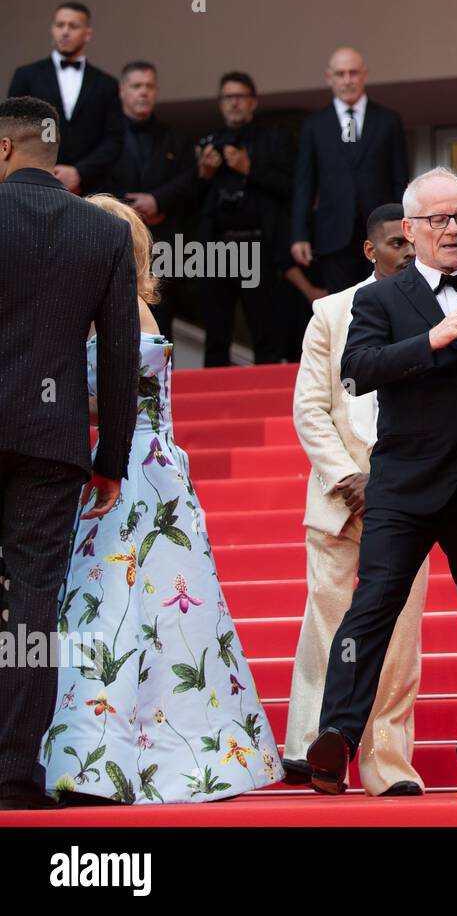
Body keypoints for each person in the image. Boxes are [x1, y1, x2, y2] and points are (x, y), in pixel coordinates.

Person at [39, 194, 283, 804]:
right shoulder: (109, 308)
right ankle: (97, 753)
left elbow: (123, 398)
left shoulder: (128, 314)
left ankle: (138, 756)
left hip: (138, 471)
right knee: (110, 609)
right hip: (128, 465)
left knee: (146, 610)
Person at [305, 169, 457, 796]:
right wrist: (431, 339)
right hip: (404, 481)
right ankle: (337, 738)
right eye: (437, 219)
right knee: (372, 608)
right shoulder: (381, 299)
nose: (452, 229)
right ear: (408, 231)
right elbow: (356, 371)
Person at [0, 96, 139, 812]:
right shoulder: (100, 232)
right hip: (53, 442)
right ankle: (14, 772)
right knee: (31, 605)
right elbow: (119, 357)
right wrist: (111, 459)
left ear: (2, 150)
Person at [283, 204, 431, 796]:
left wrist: (394, 480)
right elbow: (310, 407)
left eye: (411, 241)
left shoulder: (439, 311)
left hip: (410, 493)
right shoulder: (330, 311)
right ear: (371, 250)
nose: (405, 251)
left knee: (400, 633)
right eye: (396, 242)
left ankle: (387, 762)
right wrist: (349, 476)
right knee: (328, 620)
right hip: (340, 493)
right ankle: (312, 748)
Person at [194, 71, 295, 367]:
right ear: (220, 103)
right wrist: (204, 176)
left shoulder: (273, 140)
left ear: (253, 102)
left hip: (259, 245)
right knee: (216, 333)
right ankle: (215, 407)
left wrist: (250, 169)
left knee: (266, 332)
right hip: (216, 249)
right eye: (228, 97)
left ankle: (270, 407)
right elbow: (189, 200)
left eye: (240, 97)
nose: (234, 103)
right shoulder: (209, 143)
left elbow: (292, 188)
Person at [291, 48, 409, 294]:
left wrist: (404, 227)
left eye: (353, 73)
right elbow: (305, 183)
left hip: (382, 232)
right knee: (342, 307)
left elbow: (400, 179)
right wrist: (300, 234)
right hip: (334, 235)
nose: (347, 80)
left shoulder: (388, 120)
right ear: (329, 78)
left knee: (387, 298)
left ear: (364, 75)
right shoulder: (314, 125)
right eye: (340, 73)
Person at [104, 61, 202, 340]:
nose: (143, 92)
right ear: (122, 91)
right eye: (136, 86)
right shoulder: (102, 137)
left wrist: (158, 200)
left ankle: (161, 383)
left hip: (162, 244)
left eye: (149, 86)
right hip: (113, 240)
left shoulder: (176, 137)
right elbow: (91, 180)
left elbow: (190, 182)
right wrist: (127, 208)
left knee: (161, 317)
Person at [7, 1, 122, 195]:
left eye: (73, 26)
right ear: (52, 29)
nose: (65, 31)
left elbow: (115, 140)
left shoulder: (107, 84)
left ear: (87, 34)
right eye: (60, 25)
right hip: (35, 184)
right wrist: (43, 169)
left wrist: (79, 172)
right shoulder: (26, 75)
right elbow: (13, 130)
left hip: (91, 188)